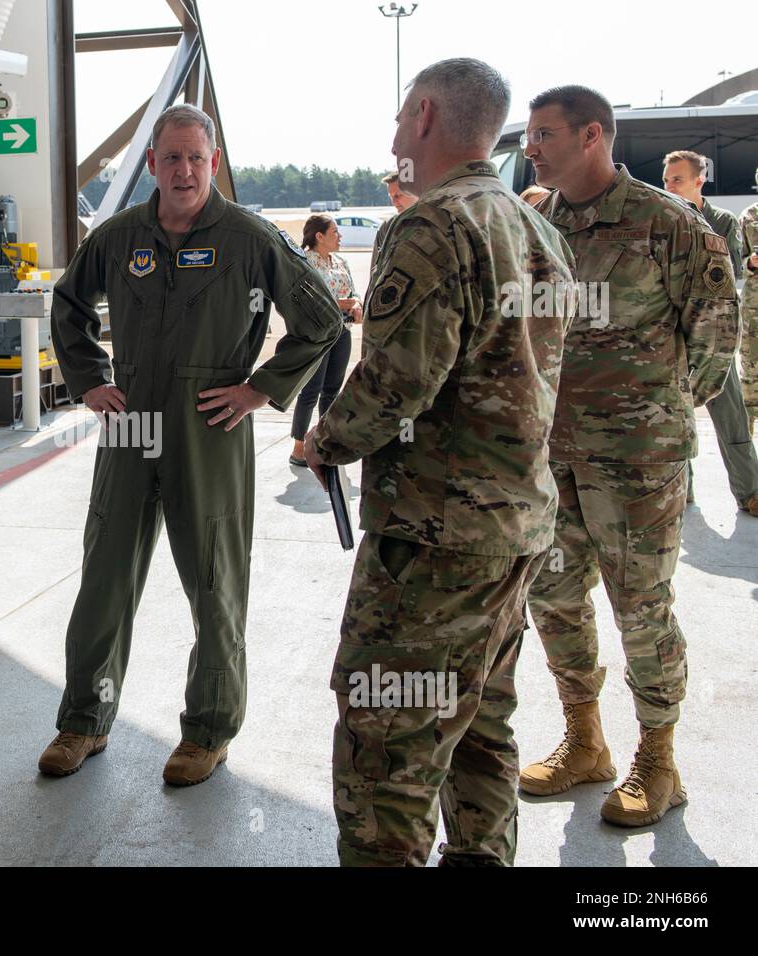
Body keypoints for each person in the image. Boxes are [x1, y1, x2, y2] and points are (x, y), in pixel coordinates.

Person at [305, 57, 576, 866]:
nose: (393, 136)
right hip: (516, 528)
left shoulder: (431, 224)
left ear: (425, 115)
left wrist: (324, 441)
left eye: (398, 119)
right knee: (481, 724)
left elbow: (397, 383)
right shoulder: (538, 228)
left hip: (435, 540)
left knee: (387, 741)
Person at [41, 103, 343, 786]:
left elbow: (321, 320)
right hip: (130, 424)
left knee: (213, 583)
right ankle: (83, 722)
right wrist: (89, 380)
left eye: (195, 159)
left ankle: (208, 732)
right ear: (150, 163)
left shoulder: (249, 237)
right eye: (170, 157)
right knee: (104, 578)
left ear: (212, 163)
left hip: (209, 429)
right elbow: (69, 306)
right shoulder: (118, 237)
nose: (182, 170)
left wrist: (261, 388)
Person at [519, 86, 737, 828]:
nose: (530, 147)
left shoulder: (667, 224)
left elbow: (714, 344)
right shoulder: (534, 223)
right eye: (527, 134)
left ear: (592, 135)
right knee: (553, 597)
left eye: (542, 133)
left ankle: (659, 760)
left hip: (637, 461)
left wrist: (651, 413)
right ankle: (585, 741)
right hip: (552, 458)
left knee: (642, 608)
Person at [661, 149, 758, 517]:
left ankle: (749, 491)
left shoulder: (722, 220)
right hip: (671, 337)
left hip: (714, 338)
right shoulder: (660, 218)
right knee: (673, 419)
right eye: (667, 179)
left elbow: (728, 269)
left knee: (731, 416)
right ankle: (682, 492)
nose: (669, 186)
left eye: (677, 179)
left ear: (700, 181)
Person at [288, 214, 359, 467]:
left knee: (332, 390)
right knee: (311, 390)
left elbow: (353, 292)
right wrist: (339, 304)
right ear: (319, 236)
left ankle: (323, 443)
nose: (340, 236)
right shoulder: (306, 262)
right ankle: (298, 448)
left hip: (342, 331)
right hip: (317, 334)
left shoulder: (340, 261)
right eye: (335, 232)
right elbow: (304, 298)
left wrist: (357, 304)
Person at [739, 170, 758, 428]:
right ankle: (748, 426)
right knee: (751, 362)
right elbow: (736, 260)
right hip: (755, 305)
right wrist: (750, 263)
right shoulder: (749, 217)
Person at [371, 170, 417, 265]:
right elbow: (375, 269)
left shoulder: (437, 223)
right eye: (391, 197)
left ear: (414, 192)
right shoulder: (387, 228)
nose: (394, 202)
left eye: (398, 195)